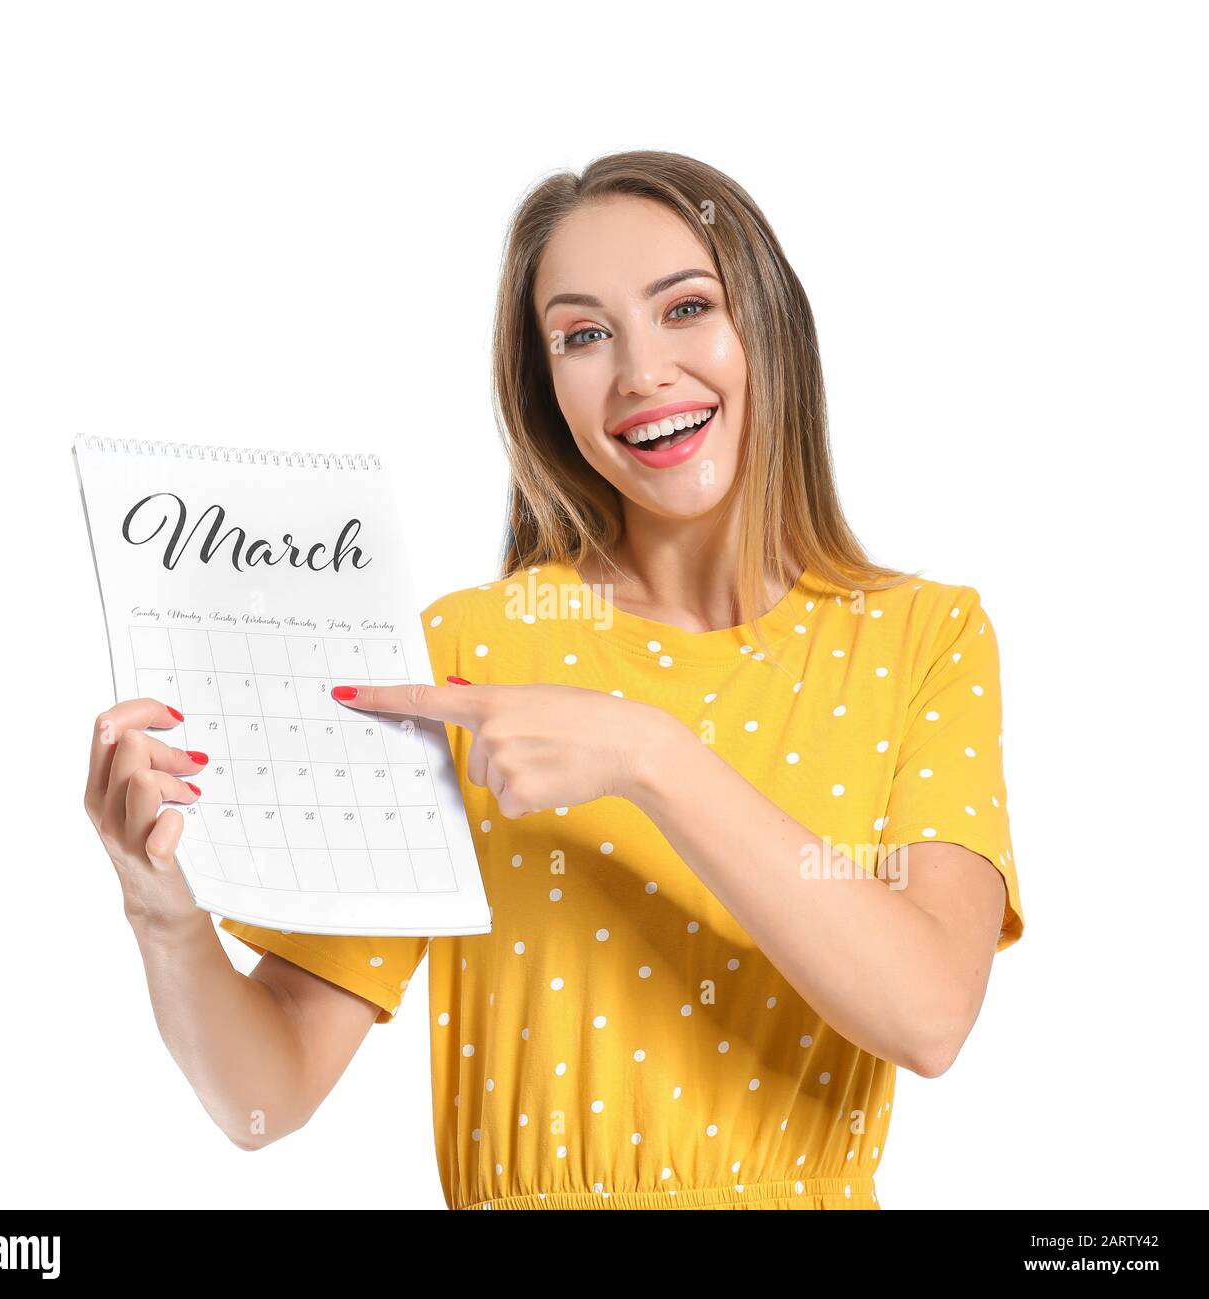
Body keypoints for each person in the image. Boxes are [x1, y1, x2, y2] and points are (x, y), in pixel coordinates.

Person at [83, 150, 1024, 1210]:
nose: (640, 373)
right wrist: (161, 908)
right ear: (544, 391)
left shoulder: (921, 637)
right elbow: (268, 1093)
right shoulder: (458, 660)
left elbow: (931, 1013)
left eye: (686, 308)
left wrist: (646, 753)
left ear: (768, 326)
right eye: (582, 335)